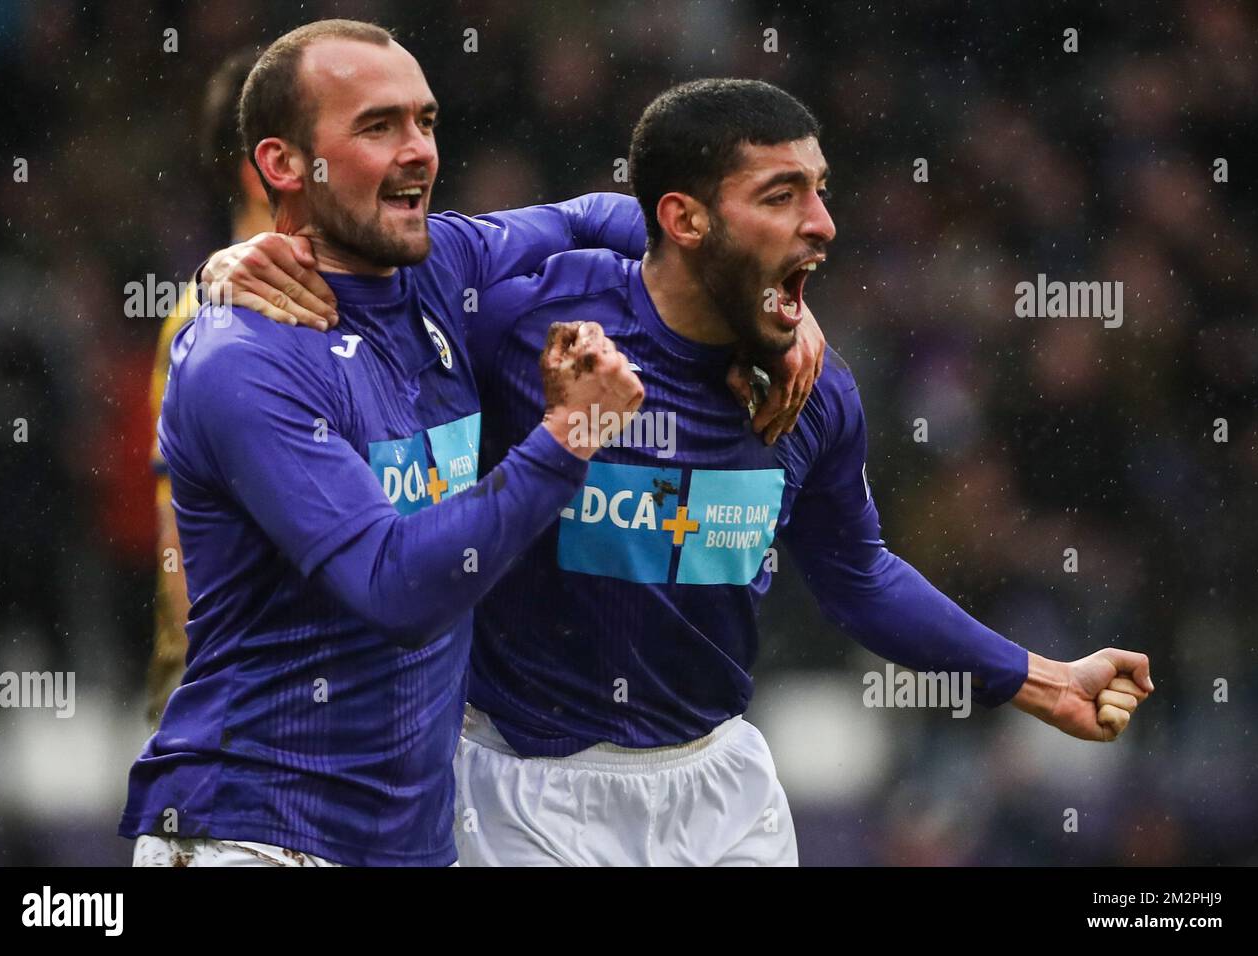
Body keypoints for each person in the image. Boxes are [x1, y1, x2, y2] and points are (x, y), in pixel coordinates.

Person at [221, 77, 1155, 867]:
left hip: (722, 787)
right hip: (522, 793)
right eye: (783, 195)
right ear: (684, 218)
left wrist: (1037, 678)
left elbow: (860, 576)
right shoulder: (525, 322)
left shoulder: (813, 389)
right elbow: (371, 282)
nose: (823, 224)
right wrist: (239, 267)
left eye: (821, 191)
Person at [119, 18, 646, 867]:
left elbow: (601, 215)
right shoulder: (241, 349)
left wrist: (777, 308)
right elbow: (395, 587)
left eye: (426, 121)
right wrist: (568, 435)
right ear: (282, 164)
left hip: (407, 846)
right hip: (253, 836)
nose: (419, 151)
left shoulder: (443, 268)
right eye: (378, 126)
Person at [146, 49, 273, 726]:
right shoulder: (206, 322)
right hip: (235, 704)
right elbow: (179, 528)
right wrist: (214, 700)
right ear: (263, 166)